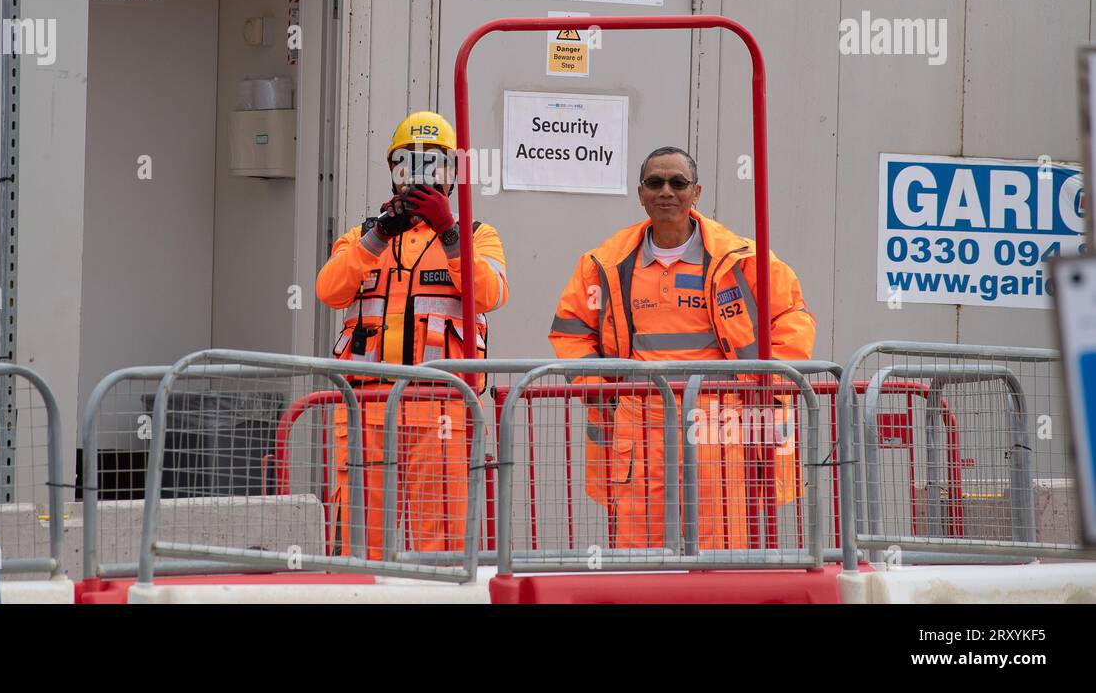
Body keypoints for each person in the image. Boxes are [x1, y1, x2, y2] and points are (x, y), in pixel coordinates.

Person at [548, 146, 815, 550]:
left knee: (719, 549)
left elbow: (793, 318)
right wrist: (598, 387)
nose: (666, 192)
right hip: (639, 421)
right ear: (640, 193)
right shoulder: (605, 263)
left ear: (697, 192)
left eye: (678, 183)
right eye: (655, 183)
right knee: (639, 553)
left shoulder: (740, 259)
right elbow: (571, 332)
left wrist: (768, 383)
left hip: (717, 421)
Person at [316, 111, 508, 558]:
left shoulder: (478, 235)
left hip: (439, 408)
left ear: (453, 173)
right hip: (365, 409)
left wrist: (448, 230)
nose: (421, 173)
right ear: (393, 170)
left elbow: (491, 292)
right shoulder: (362, 236)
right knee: (359, 542)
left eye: (435, 163)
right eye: (411, 162)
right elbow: (329, 290)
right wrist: (379, 235)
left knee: (440, 540)